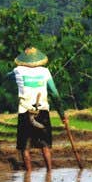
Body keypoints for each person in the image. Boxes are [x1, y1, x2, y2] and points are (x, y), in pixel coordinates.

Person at [12, 46, 70, 174]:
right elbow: (54, 93)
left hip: (25, 111)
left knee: (25, 148)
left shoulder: (18, 71)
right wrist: (62, 115)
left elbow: (7, 77)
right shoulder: (45, 72)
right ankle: (49, 172)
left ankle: (28, 175)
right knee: (45, 145)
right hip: (42, 111)